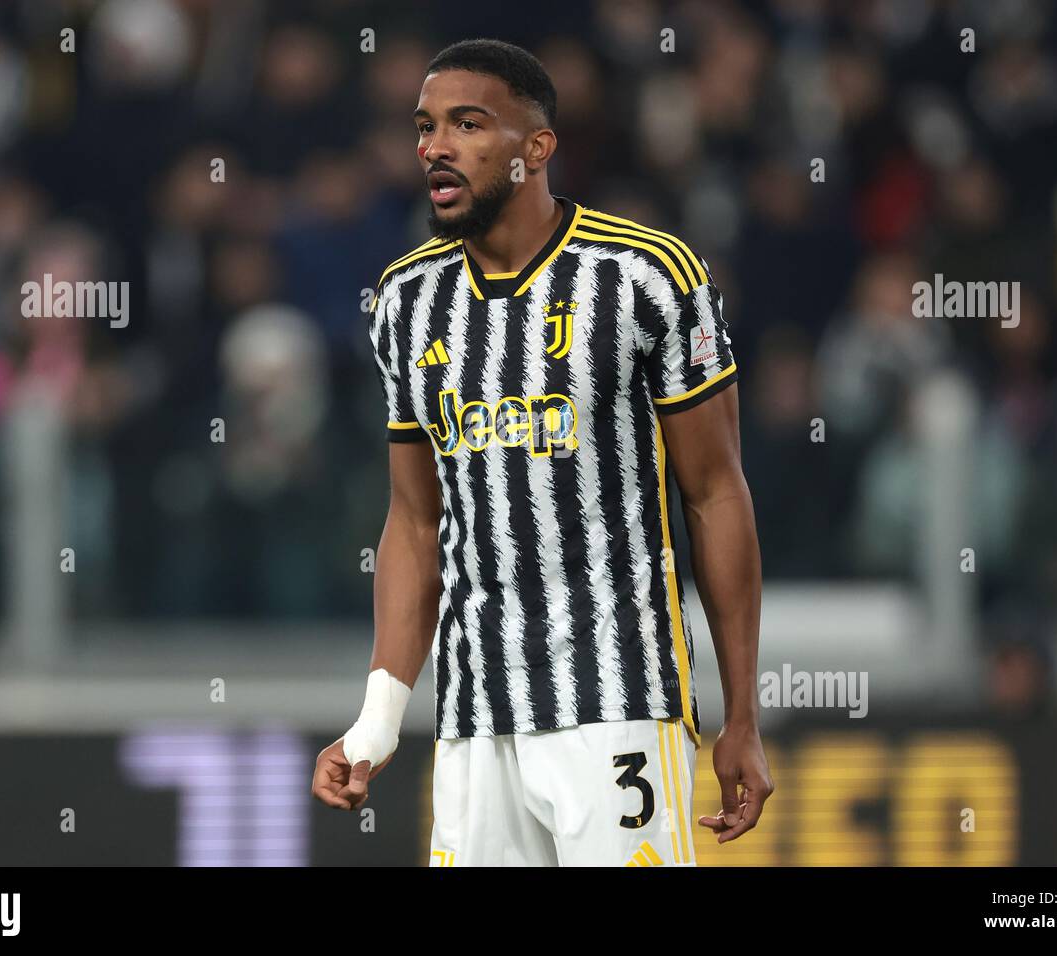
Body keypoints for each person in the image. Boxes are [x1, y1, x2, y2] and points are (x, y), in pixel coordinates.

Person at [312, 38, 771, 866]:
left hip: (620, 696)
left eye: (467, 124)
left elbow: (716, 494)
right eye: (424, 127)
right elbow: (416, 524)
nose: (434, 147)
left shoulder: (646, 276)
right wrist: (378, 721)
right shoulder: (404, 303)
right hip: (475, 715)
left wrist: (741, 714)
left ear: (536, 148)